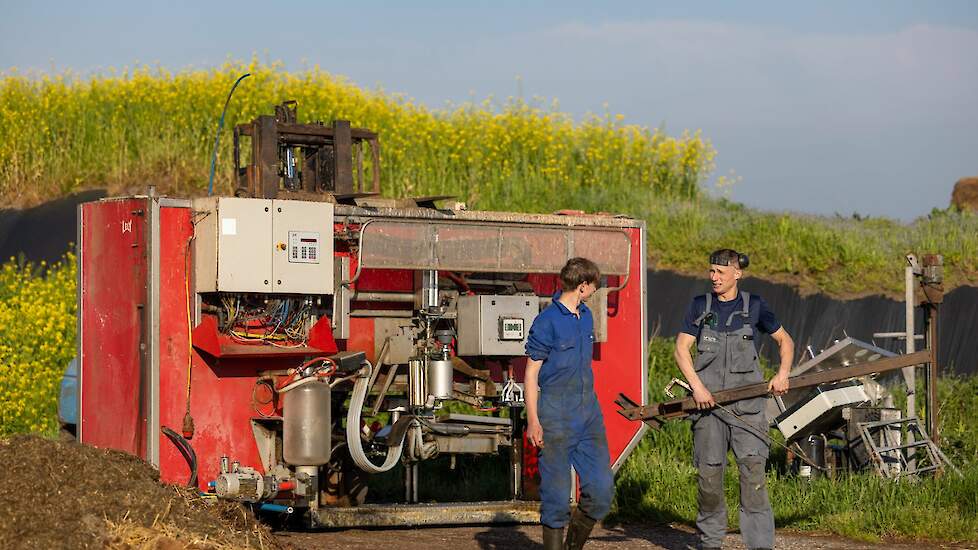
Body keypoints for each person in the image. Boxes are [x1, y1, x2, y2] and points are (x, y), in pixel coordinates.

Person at [674, 249, 794, 550]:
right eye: (711, 271)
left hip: (748, 410)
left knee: (753, 478)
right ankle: (710, 543)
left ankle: (759, 546)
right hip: (708, 410)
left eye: (720, 273)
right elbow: (681, 349)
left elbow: (785, 341)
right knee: (709, 478)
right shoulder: (700, 306)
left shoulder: (755, 306)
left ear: (737, 274)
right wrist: (697, 387)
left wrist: (782, 374)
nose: (714, 277)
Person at [525, 257, 613, 550]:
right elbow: (531, 373)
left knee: (601, 491)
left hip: (588, 413)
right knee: (556, 495)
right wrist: (533, 420)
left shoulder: (586, 316)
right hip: (555, 415)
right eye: (594, 287)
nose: (595, 291)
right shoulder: (546, 321)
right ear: (583, 286)